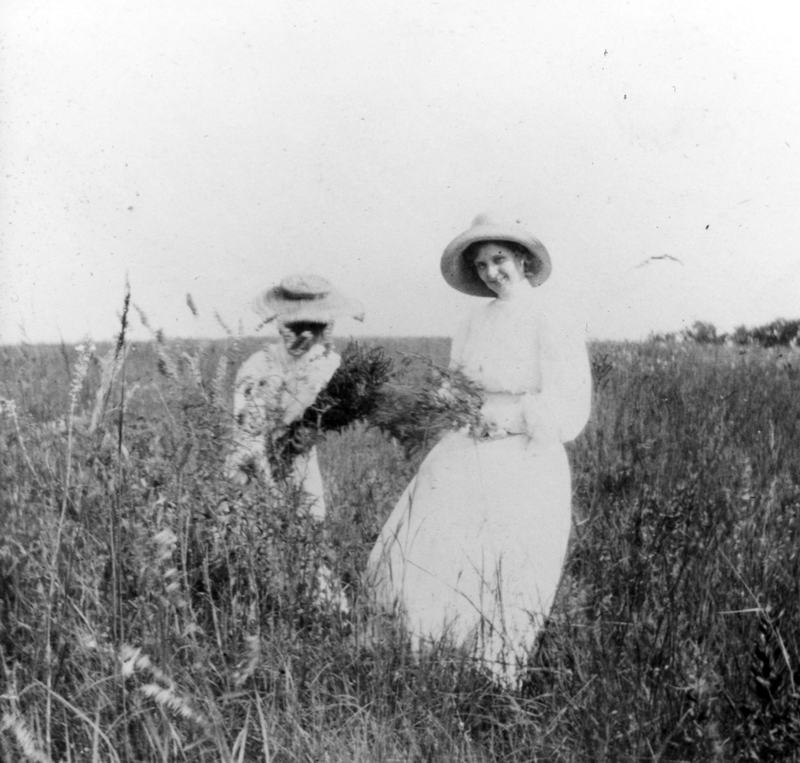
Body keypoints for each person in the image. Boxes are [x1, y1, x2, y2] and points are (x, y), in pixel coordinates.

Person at [366, 213, 592, 682]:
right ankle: (427, 661)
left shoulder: (552, 316)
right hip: (465, 449)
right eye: (482, 264)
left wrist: (505, 419)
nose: (491, 272)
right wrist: (452, 398)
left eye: (500, 259)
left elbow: (567, 403)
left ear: (523, 260)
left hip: (525, 455)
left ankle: (492, 675)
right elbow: (460, 381)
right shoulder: (472, 320)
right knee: (431, 545)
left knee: (506, 561)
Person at [224, 274, 365, 520]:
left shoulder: (329, 364)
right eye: (297, 327)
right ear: (280, 325)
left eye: (314, 328)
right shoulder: (258, 366)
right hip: (255, 467)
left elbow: (338, 409)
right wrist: (269, 472)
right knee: (258, 526)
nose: (305, 336)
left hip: (303, 465)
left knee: (308, 524)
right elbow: (247, 434)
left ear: (326, 327)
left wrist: (314, 430)